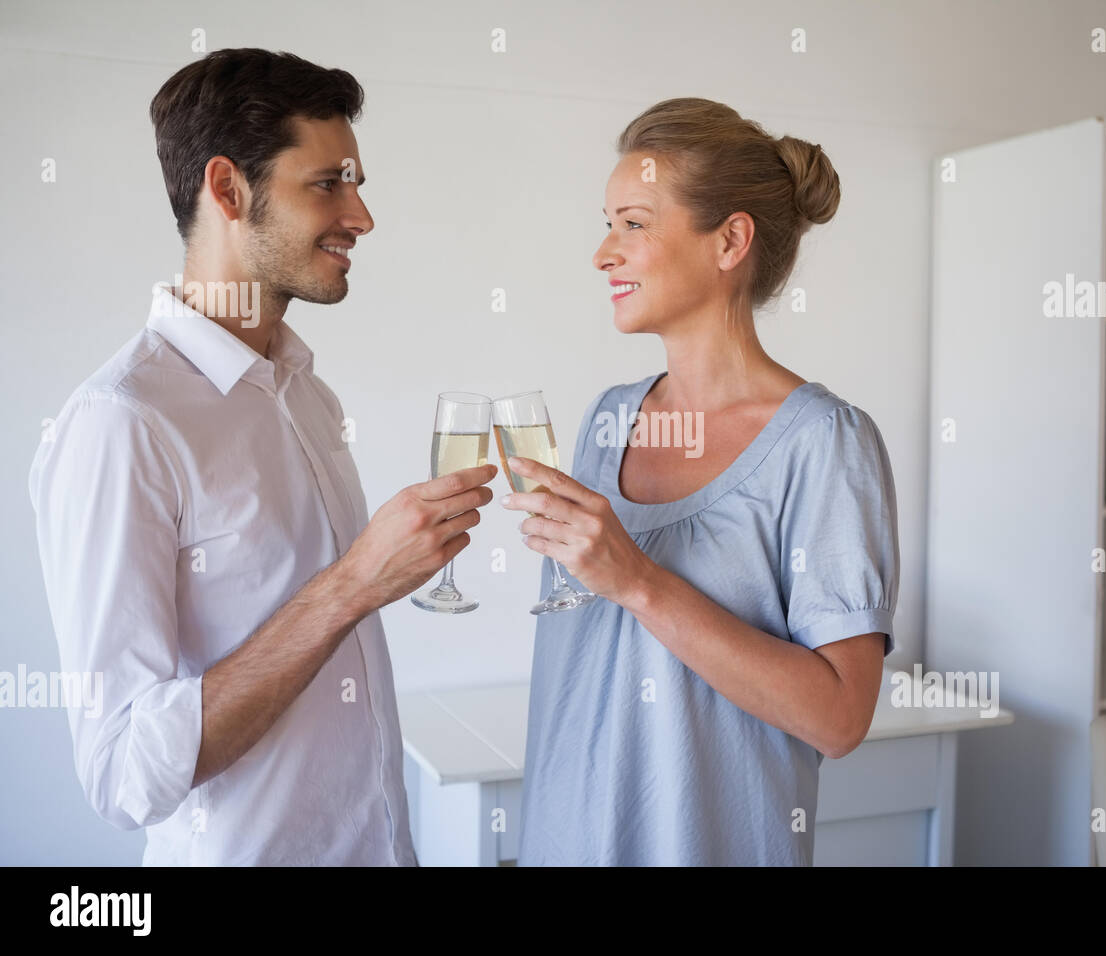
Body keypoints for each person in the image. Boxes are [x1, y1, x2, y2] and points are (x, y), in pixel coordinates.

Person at [27, 48, 495, 865]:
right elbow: (122, 774)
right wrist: (354, 585)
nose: (362, 215)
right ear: (227, 189)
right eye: (328, 183)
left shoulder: (305, 391)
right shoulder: (122, 424)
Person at [503, 97, 901, 866]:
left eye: (633, 223)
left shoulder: (825, 444)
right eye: (607, 222)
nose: (603, 253)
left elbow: (841, 717)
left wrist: (640, 581)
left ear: (730, 240)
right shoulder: (608, 420)